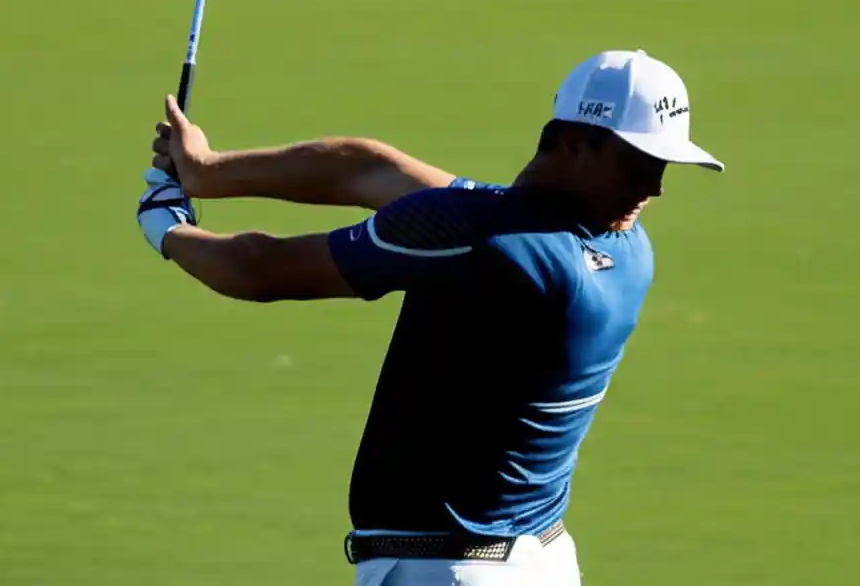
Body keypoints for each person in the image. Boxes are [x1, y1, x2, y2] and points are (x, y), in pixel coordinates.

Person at [135, 49, 723, 586]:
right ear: (573, 143)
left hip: (451, 572)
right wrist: (209, 170)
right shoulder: (621, 250)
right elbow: (370, 171)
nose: (654, 187)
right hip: (533, 562)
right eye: (639, 161)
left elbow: (259, 270)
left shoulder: (488, 242)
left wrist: (167, 226)